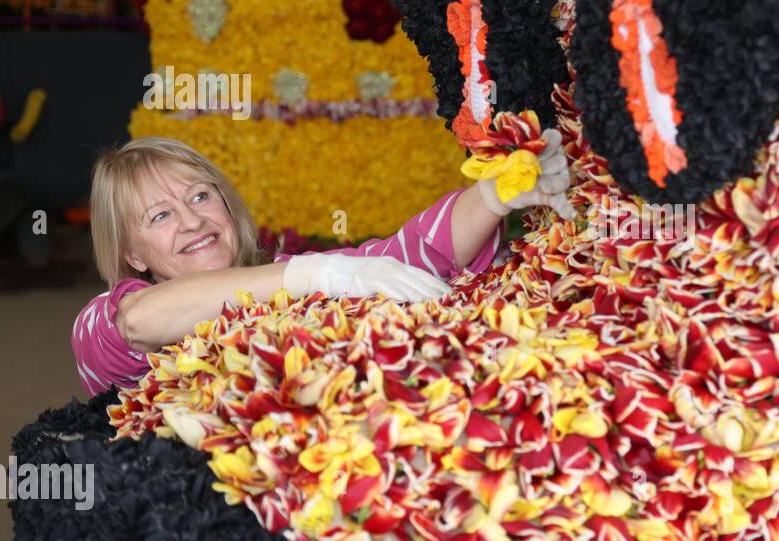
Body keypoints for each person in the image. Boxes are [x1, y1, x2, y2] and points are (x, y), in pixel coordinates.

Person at [71, 134, 571, 396]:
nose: (191, 220)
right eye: (160, 215)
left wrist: (495, 193)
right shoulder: (100, 322)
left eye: (201, 195)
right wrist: (315, 276)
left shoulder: (286, 272)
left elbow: (409, 256)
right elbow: (139, 322)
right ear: (132, 255)